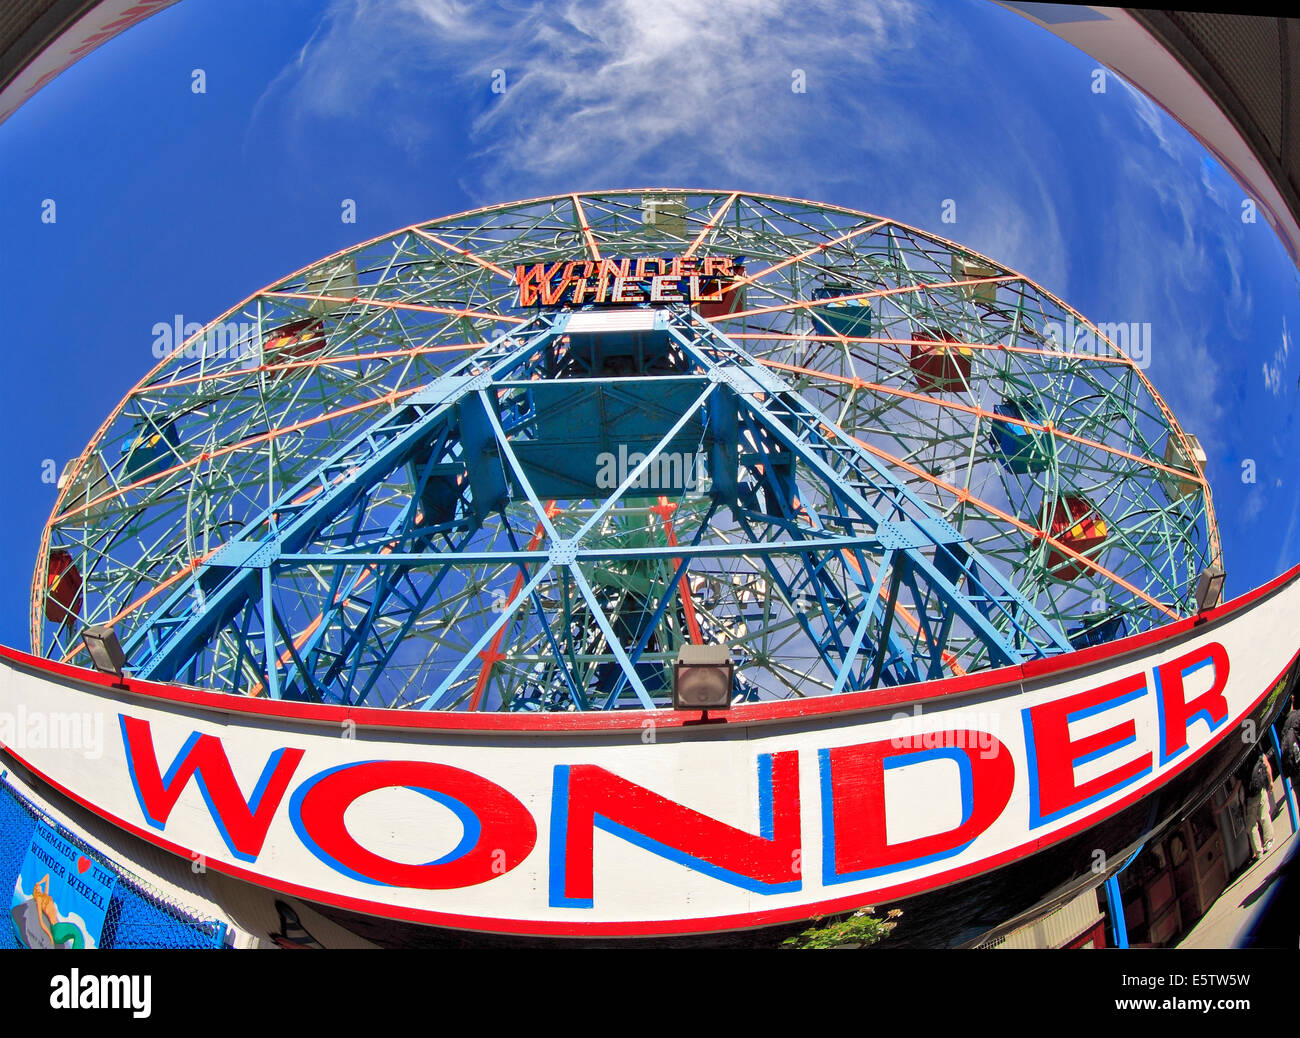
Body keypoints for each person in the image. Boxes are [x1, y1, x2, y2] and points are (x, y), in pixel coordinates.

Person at [1246, 749, 1275, 861]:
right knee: (1264, 816)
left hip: (1250, 796)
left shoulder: (1240, 761)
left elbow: (1238, 786)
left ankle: (1258, 852)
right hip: (1261, 789)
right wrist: (1271, 781)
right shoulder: (1257, 753)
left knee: (1251, 825)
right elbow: (1267, 765)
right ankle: (1269, 841)